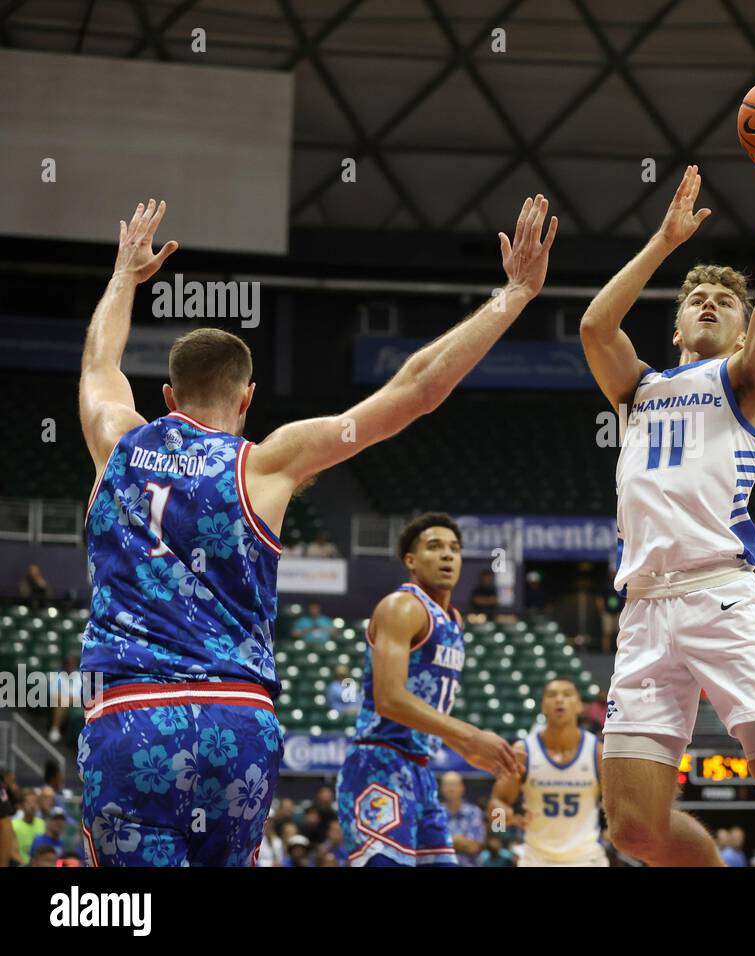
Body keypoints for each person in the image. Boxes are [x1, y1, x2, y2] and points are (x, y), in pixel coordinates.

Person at [76, 194, 555, 867]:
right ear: (245, 399)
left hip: (130, 713)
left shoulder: (116, 441)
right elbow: (414, 391)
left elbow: (99, 366)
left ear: (166, 397)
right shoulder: (268, 463)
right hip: (237, 722)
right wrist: (513, 295)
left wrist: (125, 275)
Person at [579, 162, 755, 867]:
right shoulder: (636, 388)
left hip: (719, 597)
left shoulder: (745, 380)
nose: (708, 302)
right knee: (632, 828)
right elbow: (594, 324)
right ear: (674, 326)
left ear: (741, 333)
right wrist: (664, 243)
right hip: (643, 609)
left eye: (723, 302)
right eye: (695, 297)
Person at [337, 513, 518, 866]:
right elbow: (389, 699)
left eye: (454, 548)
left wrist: (460, 744)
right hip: (379, 764)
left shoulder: (453, 620)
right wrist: (468, 737)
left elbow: (426, 707)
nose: (448, 555)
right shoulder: (402, 606)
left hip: (420, 771)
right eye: (434, 547)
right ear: (411, 560)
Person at [489, 677, 606, 866]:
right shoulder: (524, 751)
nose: (559, 699)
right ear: (543, 706)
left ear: (579, 706)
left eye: (567, 694)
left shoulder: (597, 752)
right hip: (536, 859)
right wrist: (503, 820)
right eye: (552, 695)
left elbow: (617, 803)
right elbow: (496, 806)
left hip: (587, 858)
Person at [441, 772, 485, 867]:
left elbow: (474, 847)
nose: (451, 789)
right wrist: (459, 841)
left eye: (454, 785)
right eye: (447, 785)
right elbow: (432, 846)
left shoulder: (474, 812)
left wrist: (445, 841)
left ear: (462, 788)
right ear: (442, 789)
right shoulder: (435, 813)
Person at [11, 790, 45, 865]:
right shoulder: (13, 826)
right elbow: (13, 852)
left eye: (35, 802)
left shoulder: (42, 824)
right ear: (22, 805)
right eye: (28, 802)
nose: (32, 805)